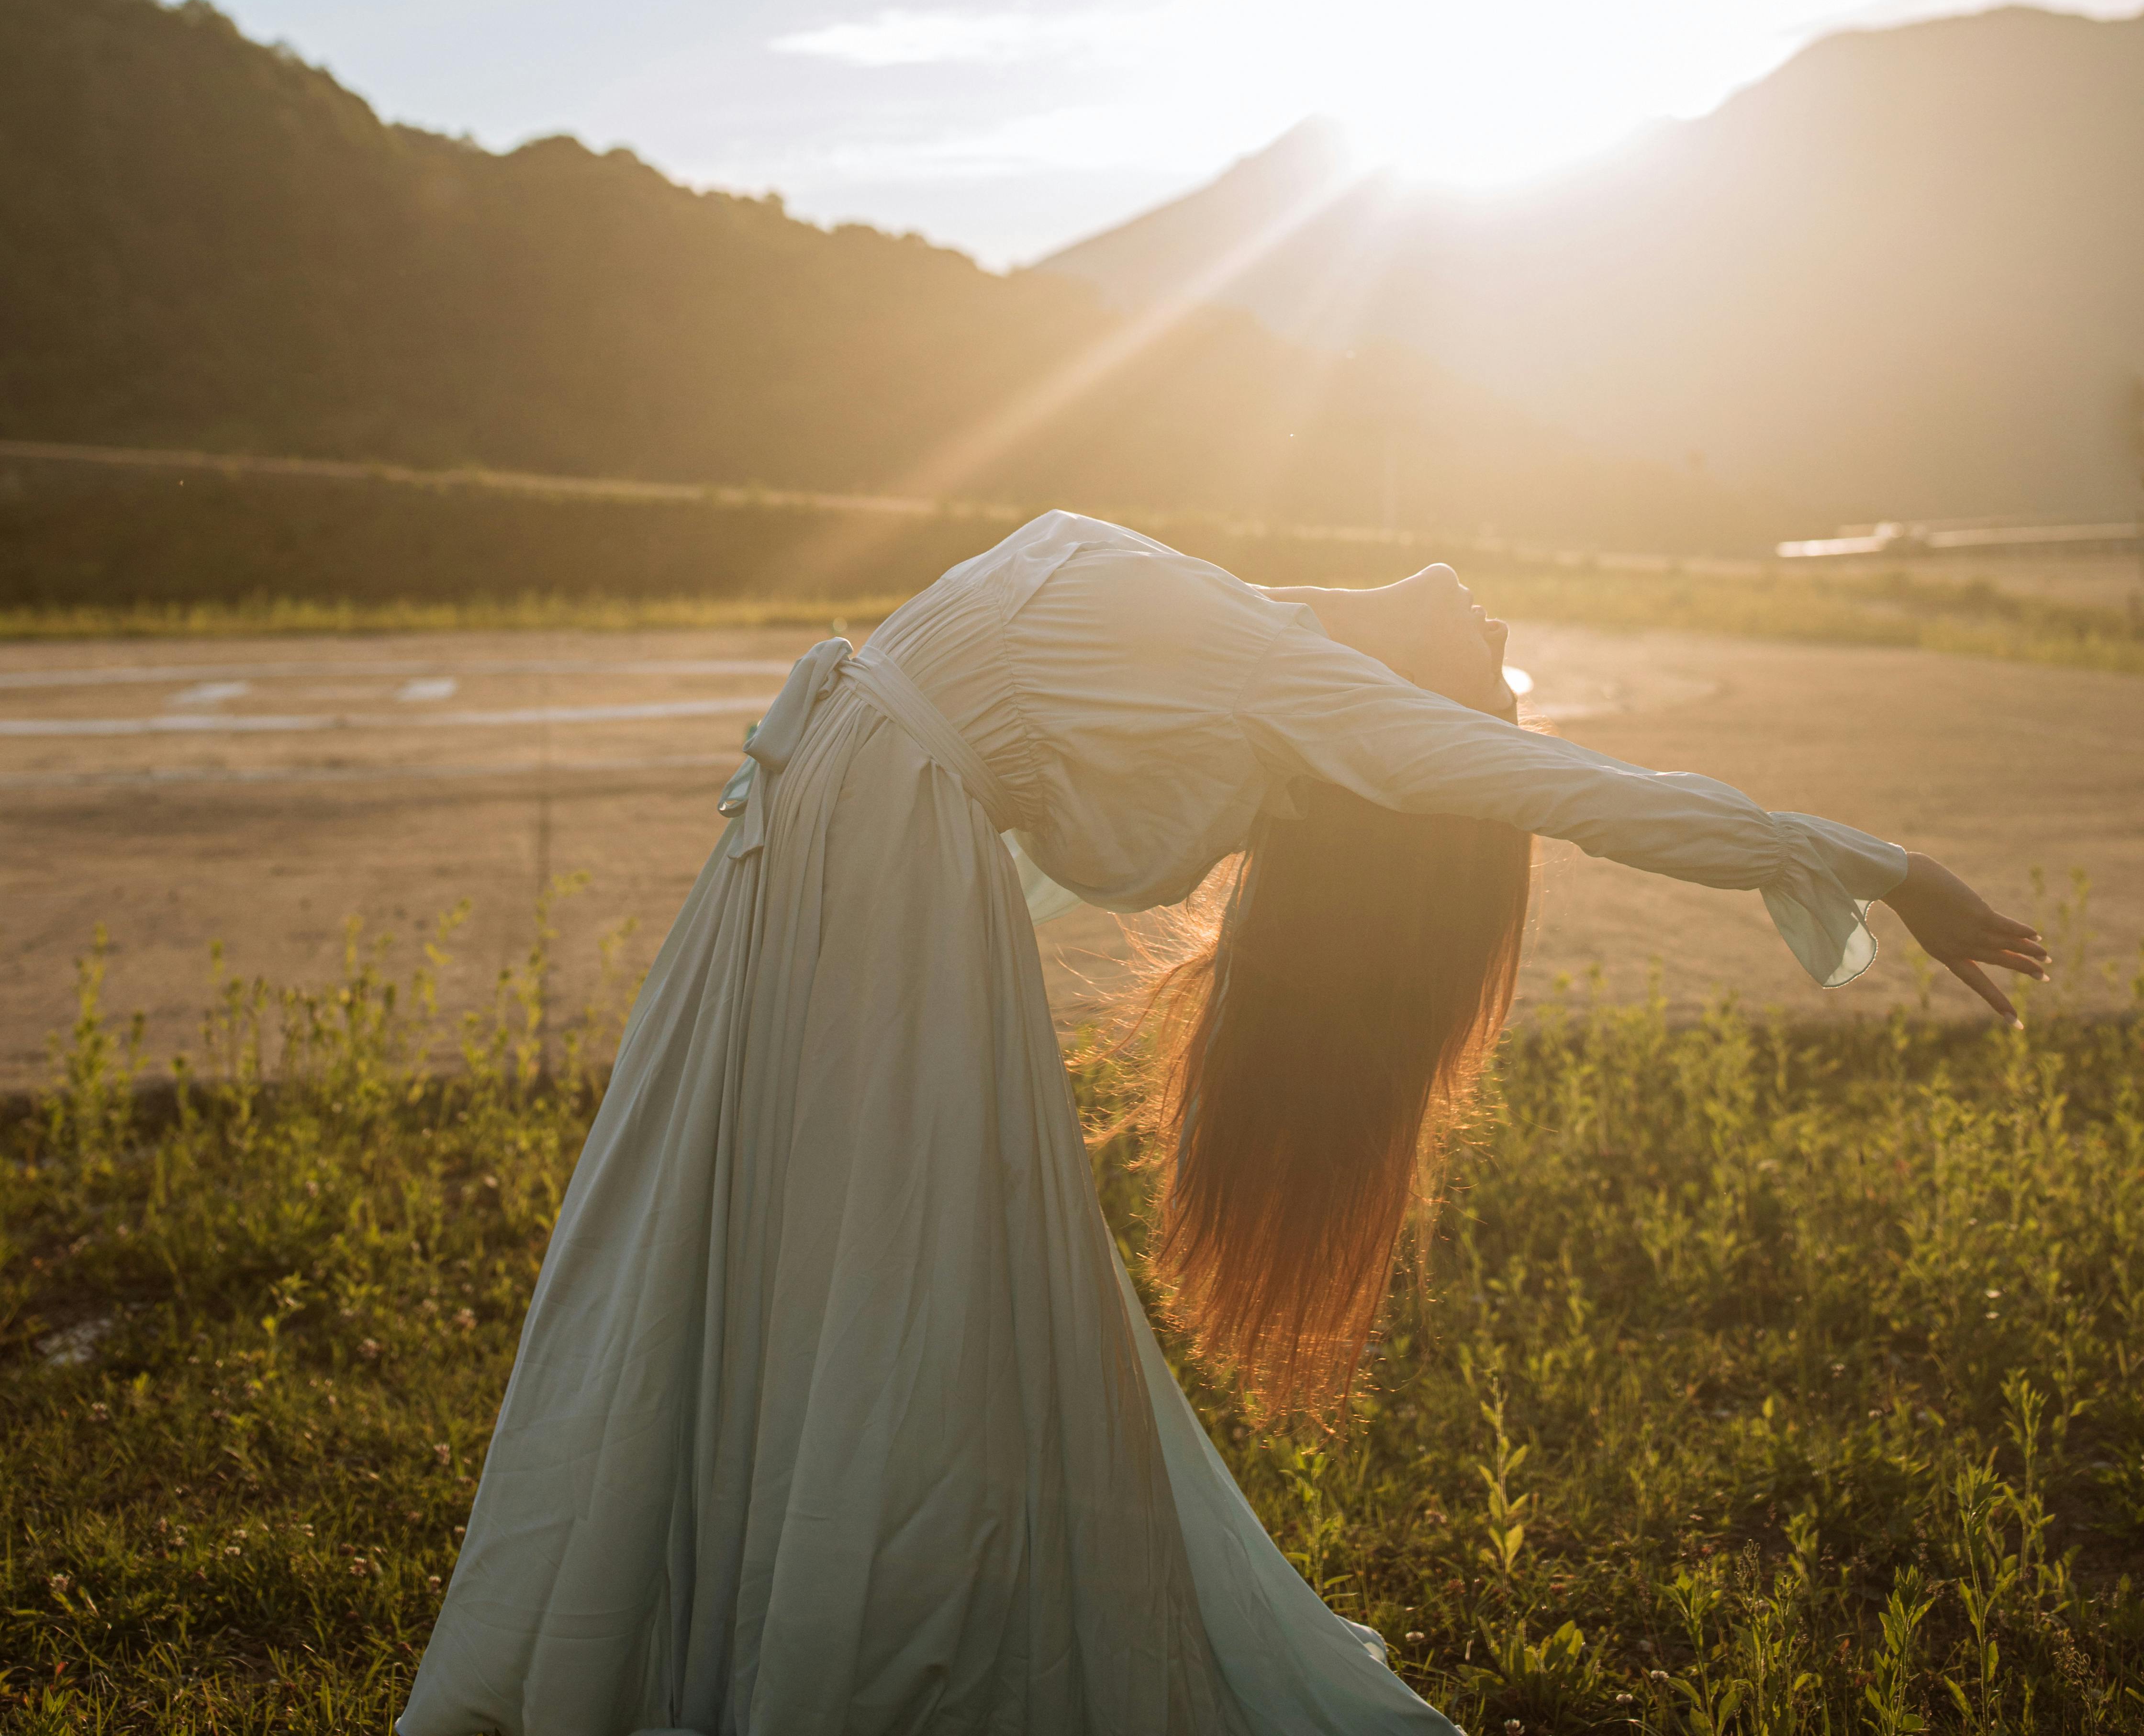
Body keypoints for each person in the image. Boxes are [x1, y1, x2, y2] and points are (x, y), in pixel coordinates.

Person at [398, 509, 2046, 1736]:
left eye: (1488, 672)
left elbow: (1570, 792)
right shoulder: (1233, 614)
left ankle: (822, 1643)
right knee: (764, 1248)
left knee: (883, 1279)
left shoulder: (1302, 682)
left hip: (858, 855)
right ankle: (741, 1603)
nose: (1489, 622)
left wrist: (1884, 869)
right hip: (824, 842)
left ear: (1419, 697)